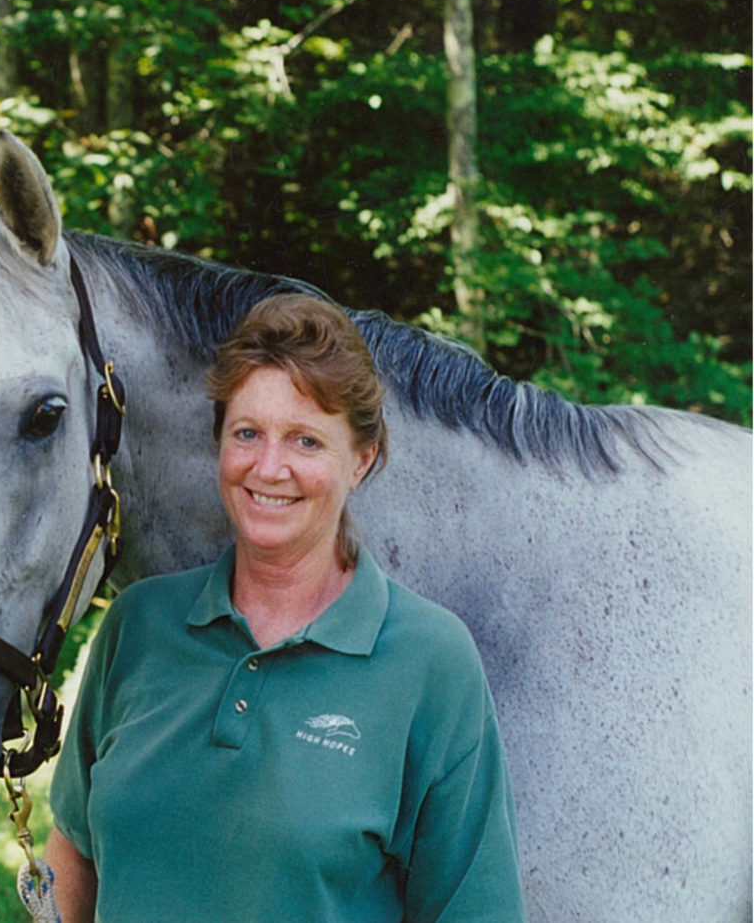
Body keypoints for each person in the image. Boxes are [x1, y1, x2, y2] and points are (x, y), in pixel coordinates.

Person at [45, 293, 526, 922]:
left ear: (361, 460)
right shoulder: (137, 626)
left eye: (305, 440)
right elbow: (73, 853)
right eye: (248, 433)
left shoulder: (430, 661)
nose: (270, 468)